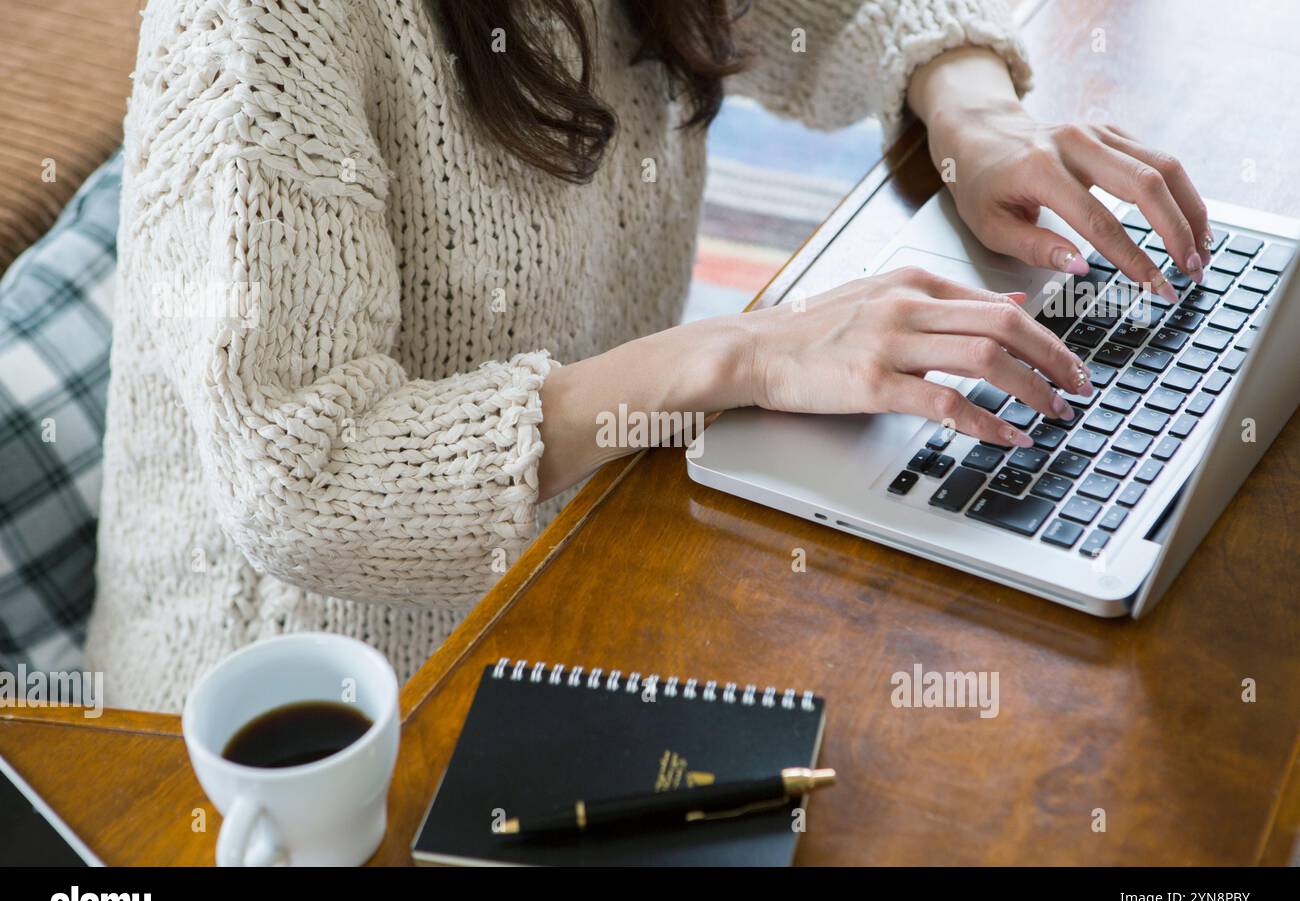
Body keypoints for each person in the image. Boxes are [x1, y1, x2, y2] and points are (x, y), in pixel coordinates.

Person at [87, 0, 1211, 710]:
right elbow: (302, 483)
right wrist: (746, 353)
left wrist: (975, 118)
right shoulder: (254, 23)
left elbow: (848, 13)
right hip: (304, 723)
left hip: (576, 567)